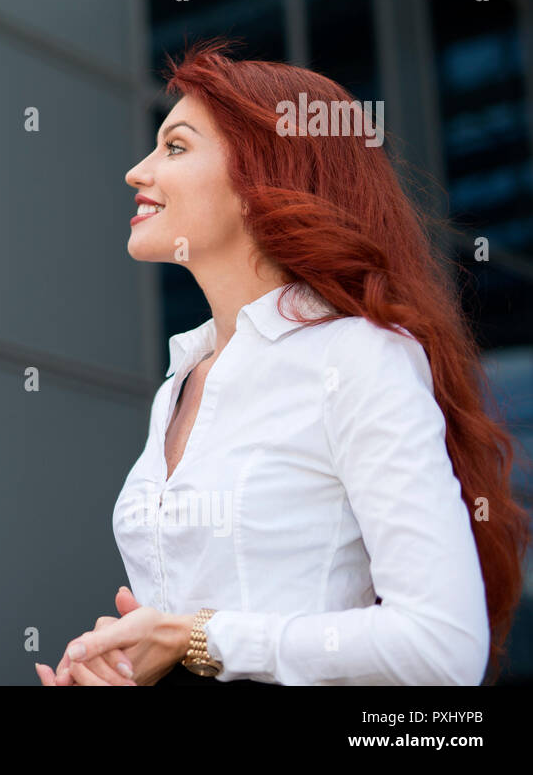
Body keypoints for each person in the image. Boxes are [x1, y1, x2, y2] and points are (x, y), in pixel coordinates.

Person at [37, 40, 528, 686]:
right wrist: (131, 662)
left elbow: (444, 645)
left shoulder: (358, 356)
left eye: (175, 147)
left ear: (260, 182)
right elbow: (190, 641)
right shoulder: (180, 381)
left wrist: (198, 636)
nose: (137, 170)